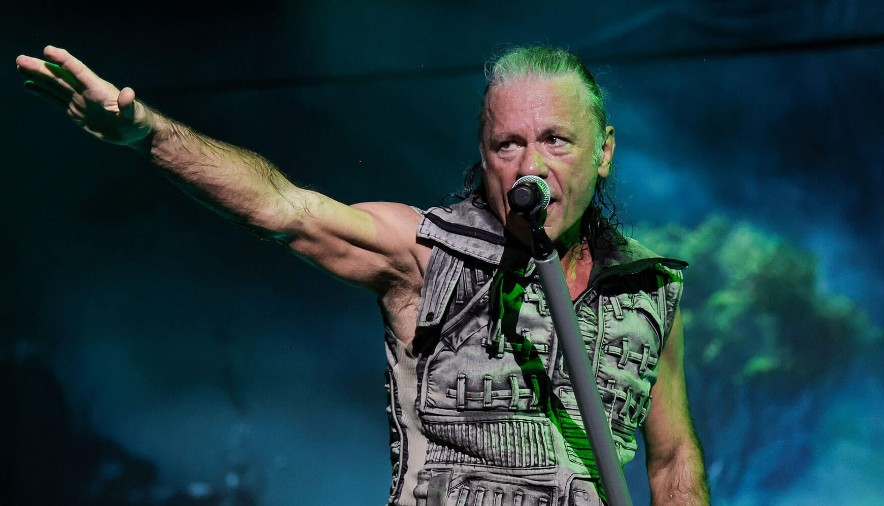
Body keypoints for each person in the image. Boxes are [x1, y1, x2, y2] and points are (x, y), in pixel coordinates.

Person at [16, 45, 709, 505]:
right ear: (485, 156)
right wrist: (149, 135)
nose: (531, 165)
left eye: (555, 139)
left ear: (604, 152)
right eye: (508, 144)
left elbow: (673, 457)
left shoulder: (648, 288)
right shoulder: (427, 253)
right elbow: (284, 208)